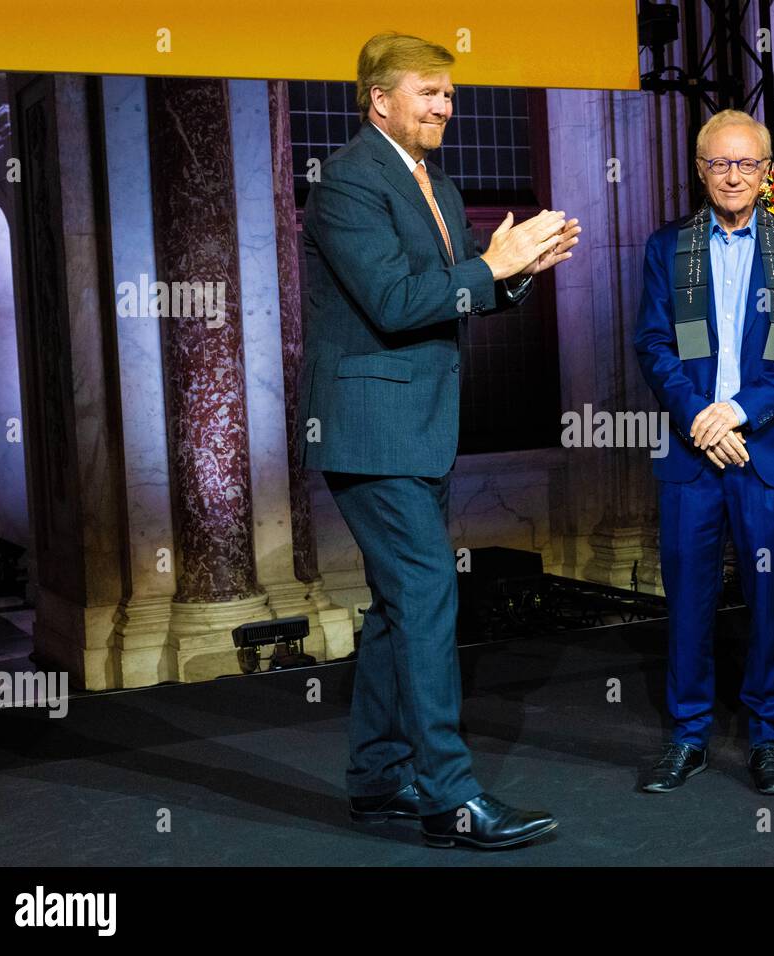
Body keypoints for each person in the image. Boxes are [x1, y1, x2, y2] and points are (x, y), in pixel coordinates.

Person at [298, 32, 580, 849]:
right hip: (370, 429)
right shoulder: (348, 181)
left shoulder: (440, 186)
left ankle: (378, 778)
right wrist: (493, 265)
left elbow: (450, 297)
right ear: (379, 98)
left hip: (422, 427)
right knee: (427, 598)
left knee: (397, 608)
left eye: (449, 94)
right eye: (428, 92)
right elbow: (391, 300)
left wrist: (520, 269)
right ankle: (449, 796)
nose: (444, 106)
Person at [634, 109, 774, 795]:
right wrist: (701, 420)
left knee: (771, 602)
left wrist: (740, 415)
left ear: (766, 172)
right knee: (688, 600)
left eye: (746, 163)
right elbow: (654, 344)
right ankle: (688, 736)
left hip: (767, 454)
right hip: (694, 457)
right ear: (700, 170)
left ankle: (768, 738)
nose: (732, 176)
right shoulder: (669, 247)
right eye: (719, 163)